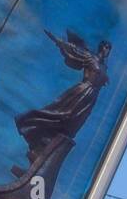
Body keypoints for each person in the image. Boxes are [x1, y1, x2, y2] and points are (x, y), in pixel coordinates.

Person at [15, 30, 111, 159]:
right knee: (64, 113)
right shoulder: (90, 57)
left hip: (91, 98)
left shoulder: (104, 68)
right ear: (101, 47)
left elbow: (103, 79)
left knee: (76, 122)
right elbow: (75, 52)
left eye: (109, 48)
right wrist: (60, 43)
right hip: (82, 91)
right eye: (105, 47)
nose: (107, 50)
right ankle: (33, 129)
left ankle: (50, 148)